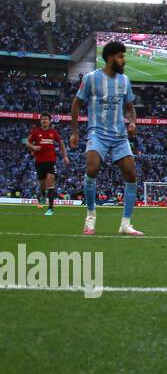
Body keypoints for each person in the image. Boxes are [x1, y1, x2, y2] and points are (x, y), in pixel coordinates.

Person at [70, 41, 143, 235]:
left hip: (119, 136)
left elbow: (130, 107)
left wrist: (133, 122)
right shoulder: (91, 78)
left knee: (131, 174)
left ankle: (125, 224)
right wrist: (75, 132)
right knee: (92, 169)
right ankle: (91, 216)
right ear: (111, 58)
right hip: (97, 133)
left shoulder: (125, 80)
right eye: (121, 56)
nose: (124, 60)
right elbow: (76, 103)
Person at [26, 111, 69, 216]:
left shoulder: (53, 132)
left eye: (46, 119)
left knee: (50, 183)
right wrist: (33, 147)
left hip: (51, 161)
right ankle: (42, 195)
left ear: (49, 121)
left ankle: (50, 208)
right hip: (39, 162)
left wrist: (65, 156)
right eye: (42, 119)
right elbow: (25, 141)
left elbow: (61, 143)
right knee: (42, 186)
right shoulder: (35, 132)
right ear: (40, 121)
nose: (44, 120)